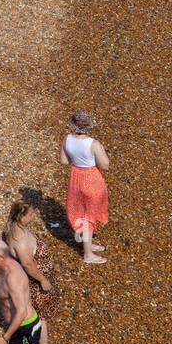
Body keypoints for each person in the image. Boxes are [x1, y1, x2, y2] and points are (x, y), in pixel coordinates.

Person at [2, 202, 63, 344]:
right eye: (30, 214)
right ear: (20, 217)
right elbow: (28, 264)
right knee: (40, 317)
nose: (33, 216)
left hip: (31, 279)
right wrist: (43, 280)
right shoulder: (20, 239)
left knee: (34, 314)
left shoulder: (10, 229)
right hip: (34, 282)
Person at [60, 110, 109, 263]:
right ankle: (88, 254)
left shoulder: (67, 139)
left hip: (76, 178)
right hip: (91, 179)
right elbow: (105, 165)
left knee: (80, 211)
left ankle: (88, 244)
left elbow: (63, 161)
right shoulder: (93, 143)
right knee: (89, 215)